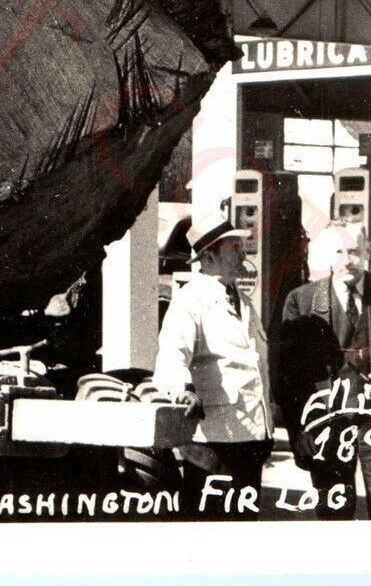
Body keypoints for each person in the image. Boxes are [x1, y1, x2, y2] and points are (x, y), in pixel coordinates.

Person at [153, 211, 273, 520]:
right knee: (210, 532)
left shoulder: (241, 301)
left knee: (243, 531)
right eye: (233, 247)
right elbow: (172, 353)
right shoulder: (191, 300)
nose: (242, 253)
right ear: (209, 257)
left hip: (249, 438)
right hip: (214, 445)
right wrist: (182, 391)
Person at [276, 224, 371, 519]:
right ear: (328, 257)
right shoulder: (301, 301)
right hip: (328, 425)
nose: (348, 260)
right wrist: (297, 429)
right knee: (334, 514)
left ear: (367, 252)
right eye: (340, 252)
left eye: (355, 251)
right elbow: (288, 374)